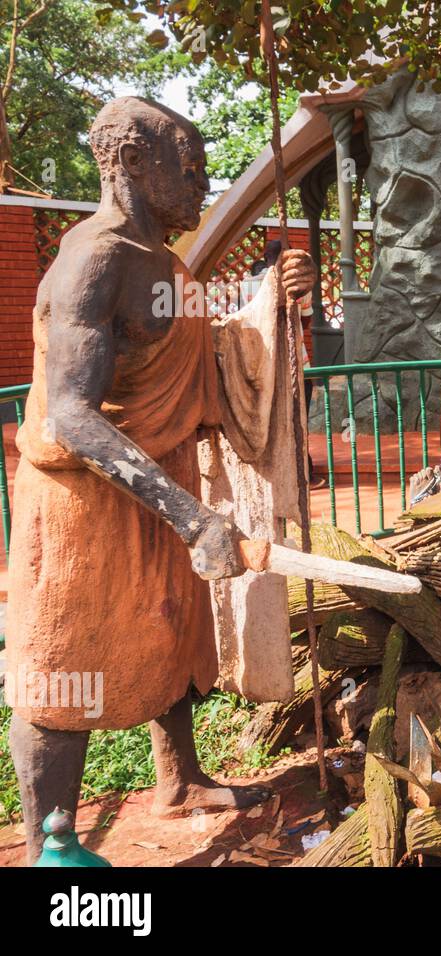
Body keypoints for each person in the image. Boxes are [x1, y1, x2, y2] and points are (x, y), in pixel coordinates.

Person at [5, 97, 317, 862]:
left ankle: (179, 780)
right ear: (135, 163)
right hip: (87, 501)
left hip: (158, 485)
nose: (202, 183)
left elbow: (216, 354)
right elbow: (75, 418)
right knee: (65, 666)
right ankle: (55, 840)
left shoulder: (170, 265)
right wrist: (190, 514)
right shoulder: (94, 258)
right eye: (192, 165)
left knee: (173, 630)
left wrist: (276, 297)